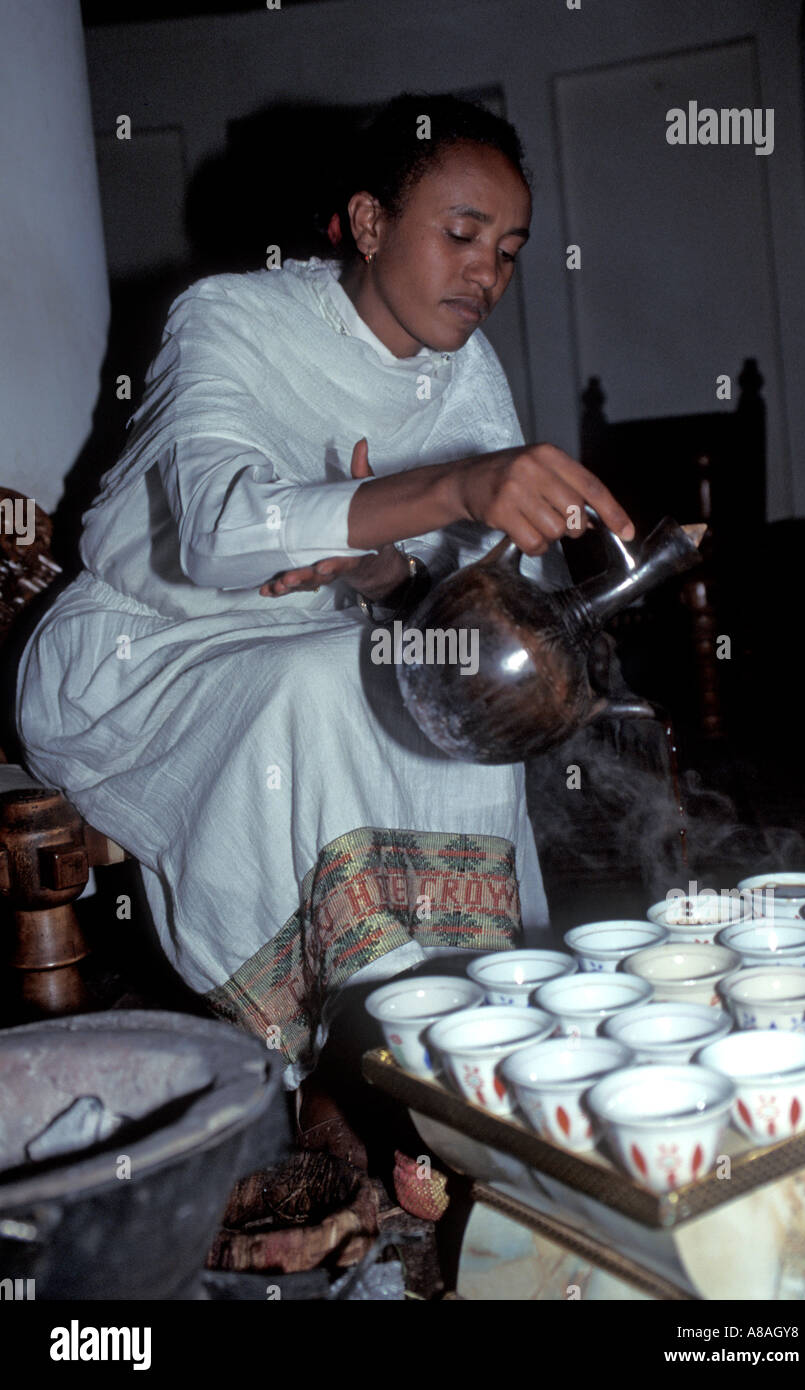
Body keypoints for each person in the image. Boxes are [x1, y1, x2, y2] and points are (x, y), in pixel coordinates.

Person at [16, 94, 632, 1126]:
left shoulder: (466, 376)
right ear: (371, 220)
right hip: (142, 647)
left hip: (316, 637)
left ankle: (471, 1037)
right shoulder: (228, 318)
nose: (487, 273)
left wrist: (380, 571)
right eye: (463, 233)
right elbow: (216, 533)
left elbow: (436, 591)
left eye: (512, 250)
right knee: (324, 690)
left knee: (466, 715)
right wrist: (458, 486)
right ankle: (355, 1059)